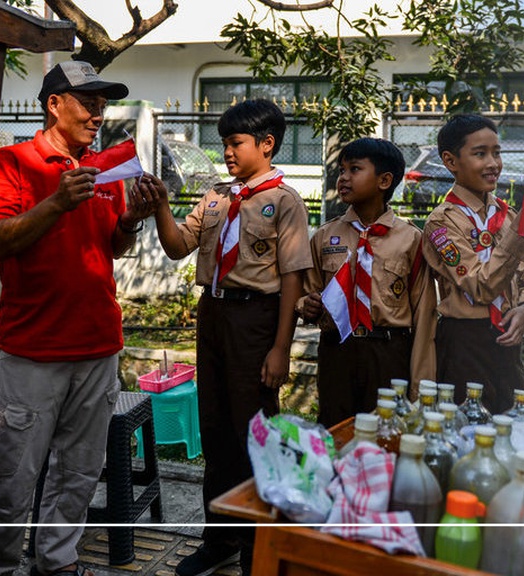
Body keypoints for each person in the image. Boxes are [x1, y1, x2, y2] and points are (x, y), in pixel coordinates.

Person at [0, 61, 160, 576]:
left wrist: (130, 222)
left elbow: (113, 247)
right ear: (54, 103)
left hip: (98, 345)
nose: (98, 114)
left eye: (103, 105)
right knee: (10, 474)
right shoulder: (14, 162)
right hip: (32, 351)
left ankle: (56, 563)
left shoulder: (107, 170)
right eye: (87, 102)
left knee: (78, 472)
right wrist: (55, 203)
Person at [151, 98, 312, 576]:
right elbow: (179, 245)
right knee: (216, 431)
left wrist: (281, 347)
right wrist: (161, 206)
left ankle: (256, 549)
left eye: (235, 142)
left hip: (256, 320)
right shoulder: (218, 197)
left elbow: (292, 279)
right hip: (214, 316)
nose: (227, 151)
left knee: (254, 436)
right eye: (223, 142)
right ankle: (218, 538)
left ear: (266, 144)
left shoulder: (284, 202)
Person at [299, 137, 436, 427]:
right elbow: (306, 291)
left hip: (387, 352)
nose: (344, 178)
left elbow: (424, 315)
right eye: (341, 170)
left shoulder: (410, 240)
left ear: (384, 180)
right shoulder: (324, 237)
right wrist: (306, 305)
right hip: (337, 350)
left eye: (355, 169)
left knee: (385, 435)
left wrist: (419, 386)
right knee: (335, 430)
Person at [421, 114, 524, 414]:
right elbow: (480, 286)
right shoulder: (442, 222)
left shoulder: (510, 217)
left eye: (497, 152)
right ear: (451, 161)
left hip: (507, 341)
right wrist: (517, 237)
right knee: (466, 429)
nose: (493, 163)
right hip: (465, 343)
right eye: (480, 154)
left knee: (511, 424)